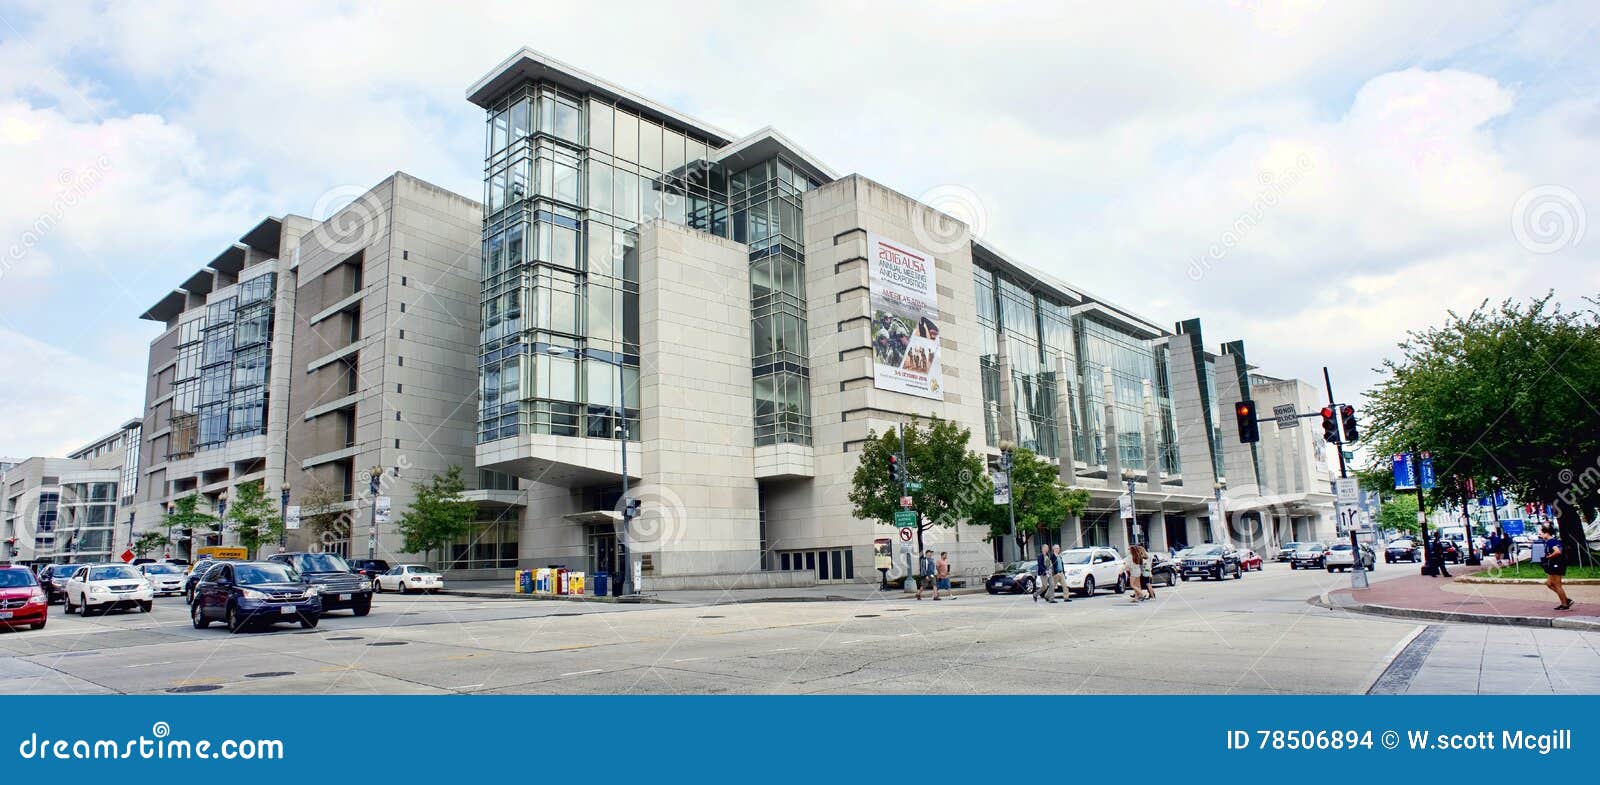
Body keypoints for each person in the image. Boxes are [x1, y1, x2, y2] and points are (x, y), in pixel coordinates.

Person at [1540, 525, 1573, 611]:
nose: (1540, 536)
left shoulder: (1551, 542)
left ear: (1546, 533)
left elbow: (1558, 551)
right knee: (1549, 583)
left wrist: (1549, 557)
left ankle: (1565, 604)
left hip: (1556, 565)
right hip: (1554, 565)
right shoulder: (1552, 541)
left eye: (1541, 534)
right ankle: (1565, 599)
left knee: (1557, 585)